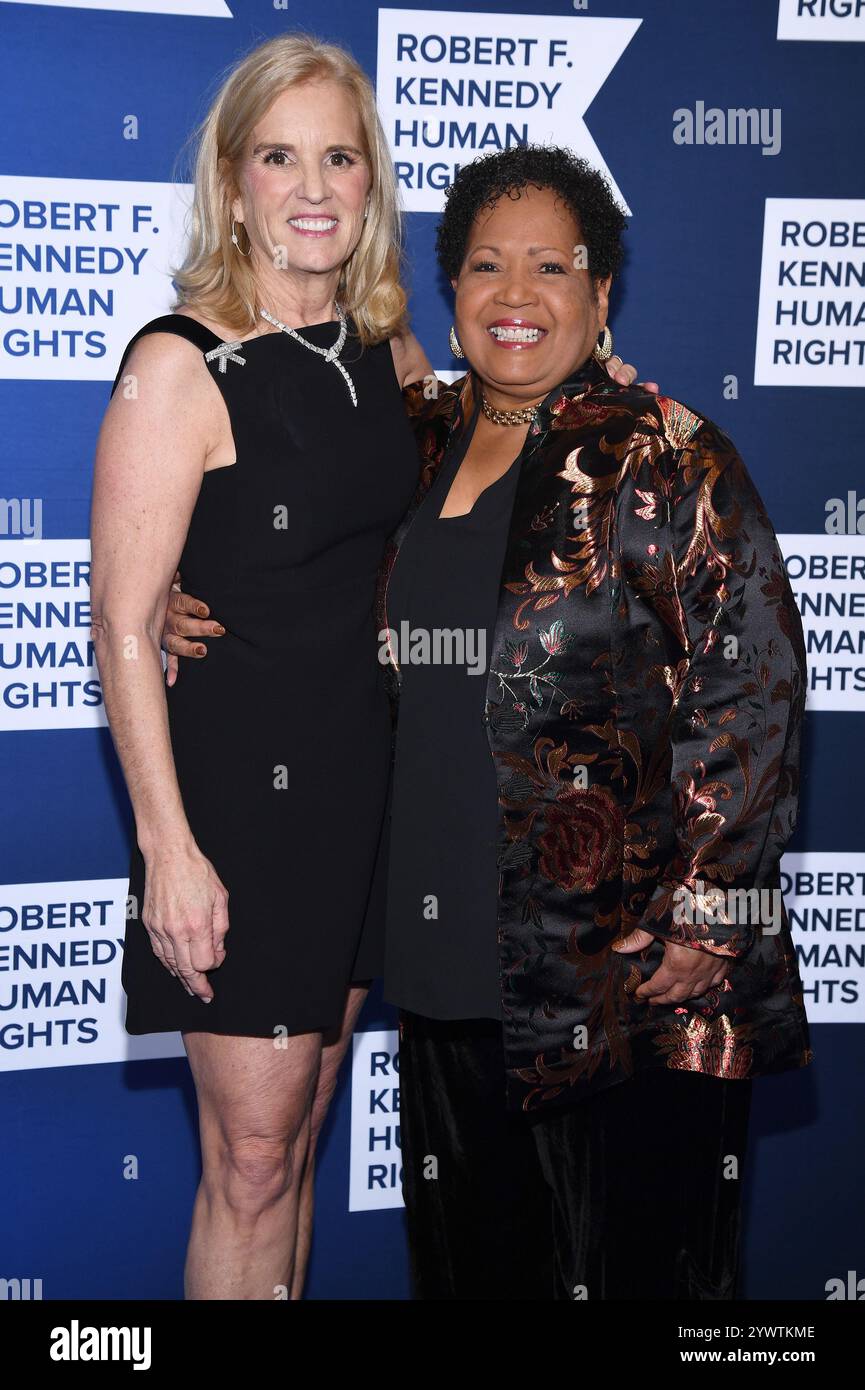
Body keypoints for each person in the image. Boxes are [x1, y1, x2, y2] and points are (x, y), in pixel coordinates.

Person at [91, 34, 640, 1302]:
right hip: (236, 812)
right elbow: (120, 627)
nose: (313, 184)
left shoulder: (391, 364)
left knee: (299, 1138)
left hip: (365, 804)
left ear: (372, 176)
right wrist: (168, 851)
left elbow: (508, 432)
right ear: (234, 183)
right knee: (254, 1156)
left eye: (340, 153)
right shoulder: (179, 365)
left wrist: (612, 389)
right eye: (279, 156)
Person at [378, 146, 812, 1300]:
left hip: (619, 979)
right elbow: (306, 579)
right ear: (451, 291)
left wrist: (707, 917)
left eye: (549, 267)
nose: (513, 296)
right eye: (483, 266)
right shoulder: (413, 442)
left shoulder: (667, 457)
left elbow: (753, 683)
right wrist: (177, 602)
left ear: (600, 291)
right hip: (445, 966)